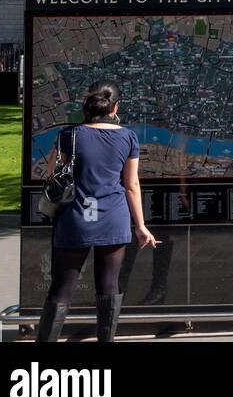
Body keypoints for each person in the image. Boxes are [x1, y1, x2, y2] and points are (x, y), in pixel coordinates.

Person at [36, 80, 158, 343]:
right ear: (115, 107)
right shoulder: (128, 137)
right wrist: (141, 226)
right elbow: (132, 185)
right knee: (109, 288)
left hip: (74, 220)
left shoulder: (69, 135)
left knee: (61, 289)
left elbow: (51, 175)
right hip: (112, 220)